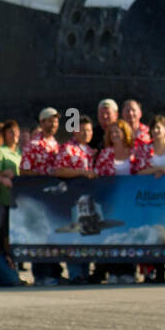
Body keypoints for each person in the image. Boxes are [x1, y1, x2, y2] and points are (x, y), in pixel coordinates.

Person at [132, 116, 165, 283]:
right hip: (150, 198)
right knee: (154, 234)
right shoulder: (145, 150)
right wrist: (158, 169)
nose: (156, 130)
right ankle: (156, 270)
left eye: (159, 127)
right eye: (153, 128)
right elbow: (139, 171)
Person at [20, 107, 63, 285]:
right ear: (42, 122)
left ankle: (55, 271)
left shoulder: (55, 143)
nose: (53, 124)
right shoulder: (34, 145)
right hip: (38, 198)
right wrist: (43, 179)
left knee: (53, 234)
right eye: (49, 121)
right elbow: (23, 170)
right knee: (40, 235)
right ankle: (41, 274)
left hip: (53, 198)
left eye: (55, 121)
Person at [52, 116, 96, 285]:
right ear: (75, 131)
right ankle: (76, 273)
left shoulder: (89, 151)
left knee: (86, 236)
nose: (86, 133)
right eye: (83, 130)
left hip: (88, 202)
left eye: (89, 130)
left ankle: (85, 273)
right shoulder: (68, 149)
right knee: (74, 237)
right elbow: (59, 170)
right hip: (72, 200)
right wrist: (82, 173)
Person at [95, 120, 137, 283]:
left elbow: (140, 172)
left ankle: (129, 271)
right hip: (111, 200)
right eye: (111, 133)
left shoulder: (134, 153)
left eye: (117, 132)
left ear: (125, 133)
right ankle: (114, 272)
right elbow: (99, 175)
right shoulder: (105, 154)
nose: (114, 135)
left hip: (130, 200)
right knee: (113, 236)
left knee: (129, 236)